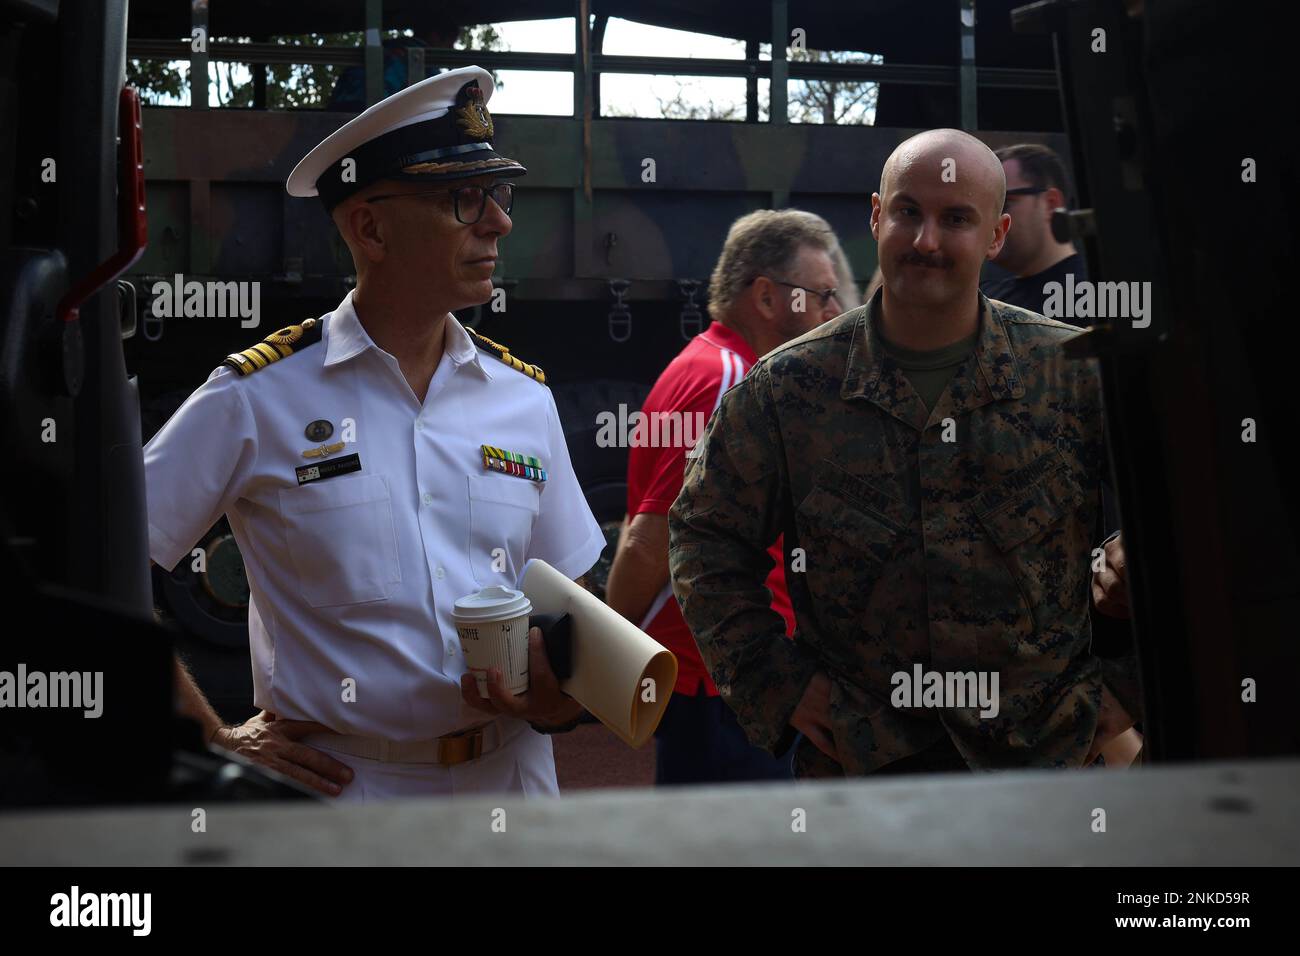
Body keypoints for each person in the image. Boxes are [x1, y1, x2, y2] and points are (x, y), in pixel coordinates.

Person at [146, 66, 605, 802]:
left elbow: (568, 614)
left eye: (499, 195)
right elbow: (104, 564)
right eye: (464, 200)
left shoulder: (523, 399)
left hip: (514, 795)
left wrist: (557, 698)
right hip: (348, 799)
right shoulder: (256, 398)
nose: (499, 222)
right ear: (369, 226)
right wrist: (211, 739)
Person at [669, 128, 1136, 777]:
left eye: (956, 219)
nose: (926, 241)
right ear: (876, 215)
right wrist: (777, 682)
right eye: (909, 212)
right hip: (866, 771)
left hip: (1041, 765)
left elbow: (1187, 524)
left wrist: (1129, 689)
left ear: (997, 235)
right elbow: (704, 540)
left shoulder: (1074, 372)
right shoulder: (789, 387)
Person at [606, 210, 846, 784]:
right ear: (766, 297)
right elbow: (652, 535)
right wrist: (607, 658)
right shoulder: (731, 379)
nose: (834, 313)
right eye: (822, 295)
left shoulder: (710, 363)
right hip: (721, 682)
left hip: (717, 678)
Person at [980, 143, 1089, 323]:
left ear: (1051, 203)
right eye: (984, 208)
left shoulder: (1100, 298)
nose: (992, 220)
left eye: (1003, 204)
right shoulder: (987, 299)